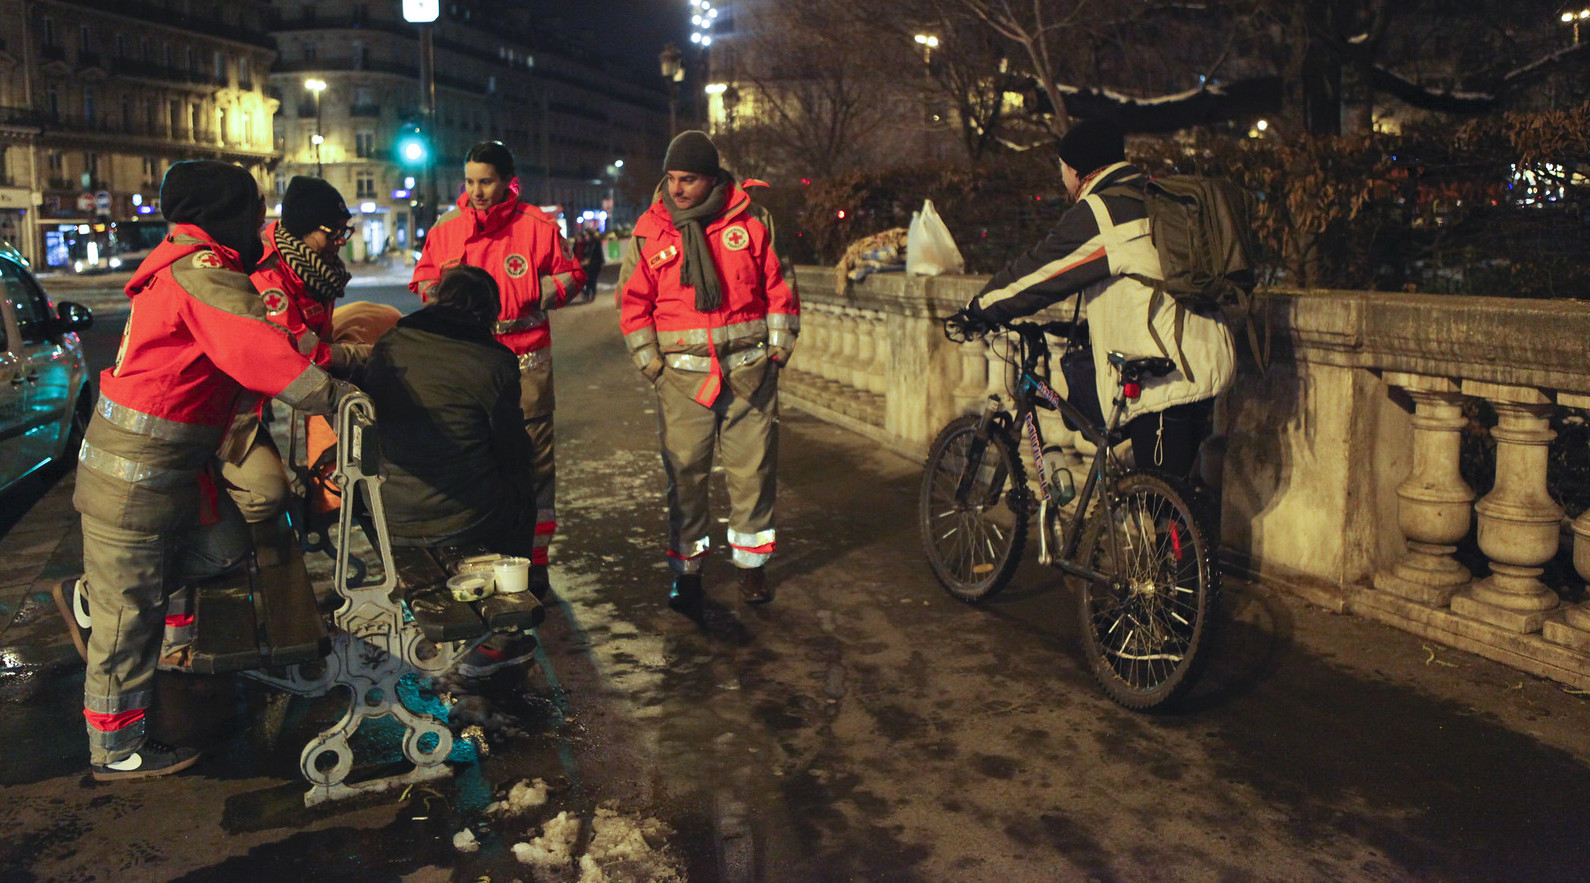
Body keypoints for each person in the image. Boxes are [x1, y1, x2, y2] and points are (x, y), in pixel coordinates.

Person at [67, 160, 356, 781]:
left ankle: (99, 591)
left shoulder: (191, 262)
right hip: (136, 477)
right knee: (127, 621)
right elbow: (259, 354)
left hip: (167, 471)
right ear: (223, 215)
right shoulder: (202, 272)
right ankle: (117, 748)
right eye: (254, 212)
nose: (261, 226)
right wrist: (334, 395)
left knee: (223, 547)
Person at [960, 118, 1235, 481]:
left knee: (1161, 503)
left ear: (1076, 169)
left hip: (1168, 377)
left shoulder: (1102, 213)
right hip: (1201, 357)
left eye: (1062, 167)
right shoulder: (1149, 195)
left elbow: (1036, 275)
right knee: (1172, 493)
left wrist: (978, 309)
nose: (1062, 177)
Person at [619, 130, 800, 610]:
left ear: (713, 178)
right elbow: (633, 304)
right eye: (672, 178)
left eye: (689, 179)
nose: (677, 189)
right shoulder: (650, 229)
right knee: (686, 480)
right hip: (682, 382)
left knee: (753, 476)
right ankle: (688, 573)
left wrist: (778, 351)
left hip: (749, 375)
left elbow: (780, 286)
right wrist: (652, 366)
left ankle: (751, 569)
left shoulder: (753, 220)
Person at [410, 141, 584, 599]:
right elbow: (422, 280)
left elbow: (572, 276)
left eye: (485, 181)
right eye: (470, 181)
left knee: (534, 467)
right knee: (474, 461)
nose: (476, 191)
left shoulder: (537, 226)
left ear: (508, 180)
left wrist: (531, 292)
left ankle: (535, 561)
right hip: (466, 367)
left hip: (527, 369)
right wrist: (447, 299)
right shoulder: (446, 228)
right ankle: (480, 556)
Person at [358, 265, 540, 676]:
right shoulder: (494, 362)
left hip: (387, 512)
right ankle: (502, 636)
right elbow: (512, 451)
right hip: (456, 519)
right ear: (489, 312)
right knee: (521, 486)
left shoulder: (392, 341)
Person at [579, 229, 605, 302]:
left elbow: (599, 253)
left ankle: (592, 294)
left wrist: (601, 262)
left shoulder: (596, 243)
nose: (586, 237)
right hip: (588, 265)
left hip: (595, 264)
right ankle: (588, 294)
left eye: (587, 235)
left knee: (592, 280)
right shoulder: (587, 243)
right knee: (587, 280)